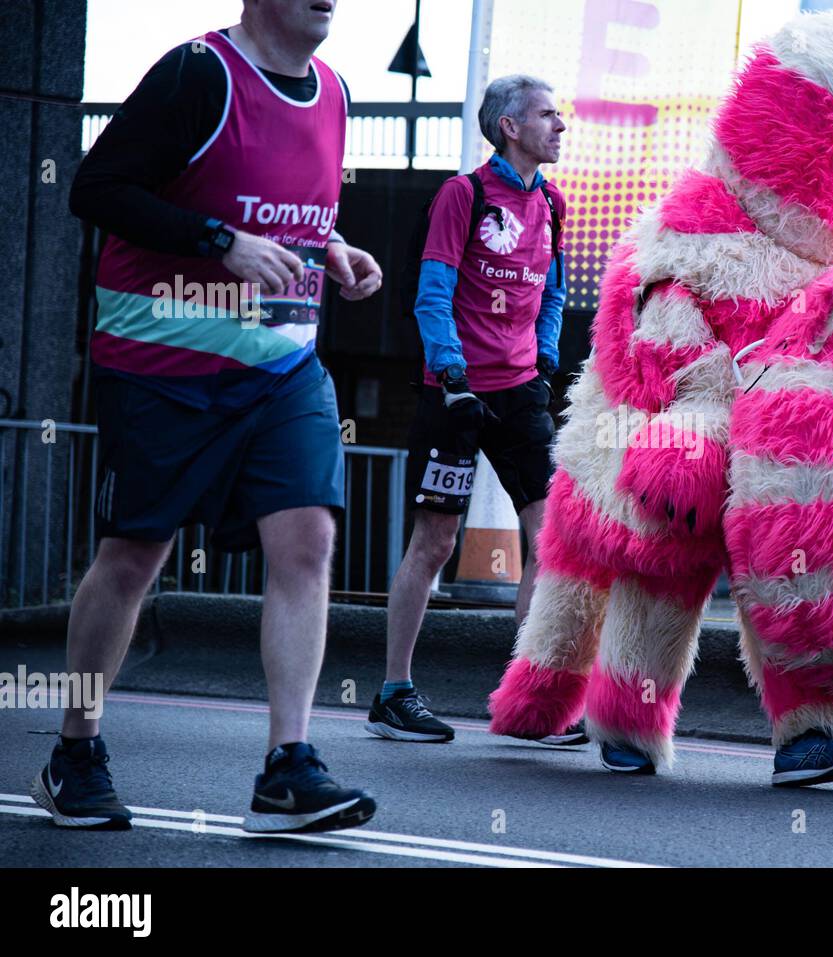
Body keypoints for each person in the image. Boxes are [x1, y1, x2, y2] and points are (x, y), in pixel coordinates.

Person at [31, 0, 383, 833]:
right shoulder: (198, 74)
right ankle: (74, 750)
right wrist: (218, 241)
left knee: (309, 538)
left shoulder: (335, 91)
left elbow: (290, 209)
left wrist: (331, 247)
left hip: (283, 369)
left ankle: (287, 767)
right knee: (134, 557)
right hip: (164, 369)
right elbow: (95, 188)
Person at [363, 75, 576, 745]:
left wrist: (545, 361)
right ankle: (393, 693)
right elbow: (432, 292)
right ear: (509, 126)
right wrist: (452, 374)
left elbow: (551, 294)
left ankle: (530, 703)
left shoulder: (553, 202)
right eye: (547, 114)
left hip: (521, 394)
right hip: (454, 395)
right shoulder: (465, 194)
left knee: (550, 540)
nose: (560, 126)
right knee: (435, 542)